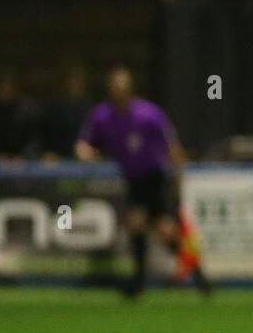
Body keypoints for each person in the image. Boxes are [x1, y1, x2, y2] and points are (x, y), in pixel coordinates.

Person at [76, 66, 208, 295]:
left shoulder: (149, 115)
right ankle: (139, 281)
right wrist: (84, 153)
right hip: (133, 179)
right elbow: (85, 143)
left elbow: (173, 148)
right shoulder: (102, 116)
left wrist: (178, 177)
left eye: (123, 88)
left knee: (165, 231)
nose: (119, 93)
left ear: (130, 90)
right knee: (136, 225)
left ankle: (197, 275)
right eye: (115, 89)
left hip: (156, 177)